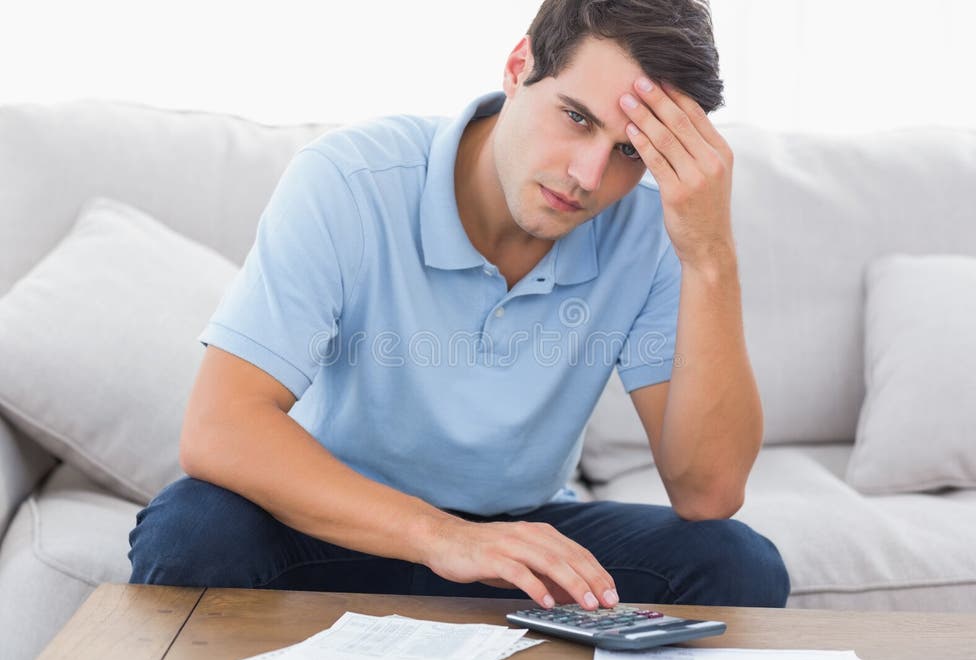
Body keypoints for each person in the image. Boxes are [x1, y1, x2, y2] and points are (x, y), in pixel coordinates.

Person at [128, 0, 790, 611]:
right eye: (576, 118)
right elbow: (219, 428)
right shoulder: (349, 182)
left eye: (627, 151)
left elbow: (708, 493)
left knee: (736, 564)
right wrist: (437, 535)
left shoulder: (652, 230)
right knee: (192, 532)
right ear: (518, 66)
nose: (587, 177)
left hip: (515, 544)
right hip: (333, 522)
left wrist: (711, 255)